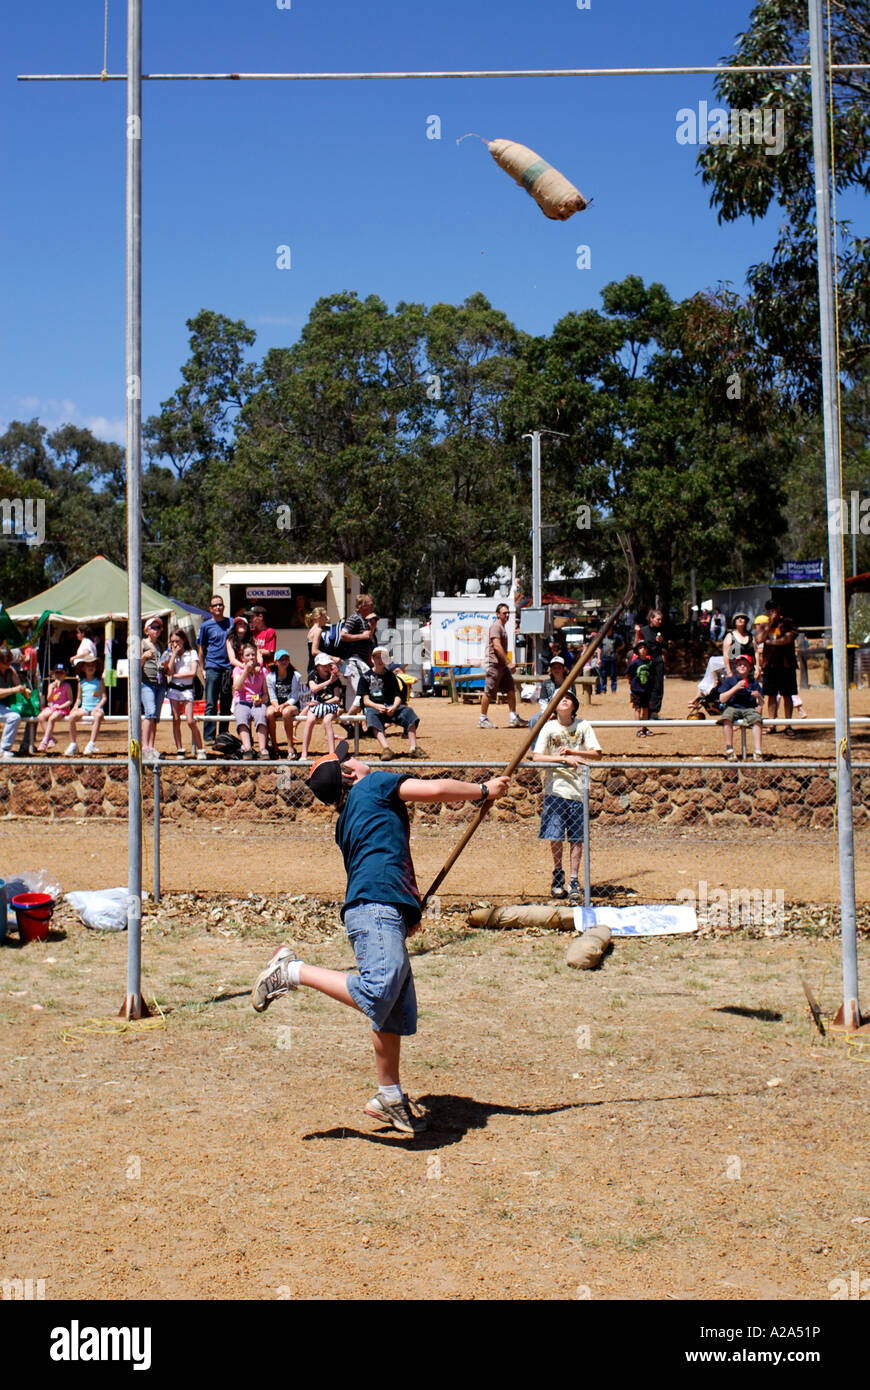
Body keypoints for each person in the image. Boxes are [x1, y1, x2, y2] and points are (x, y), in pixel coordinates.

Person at [250, 740, 510, 1134]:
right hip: (375, 908)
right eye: (349, 757)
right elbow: (435, 790)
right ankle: (291, 971)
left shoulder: (347, 820)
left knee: (391, 1012)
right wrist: (483, 791)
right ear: (351, 774)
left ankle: (389, 1095)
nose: (356, 755)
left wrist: (409, 909)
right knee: (376, 992)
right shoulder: (373, 787)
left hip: (379, 907)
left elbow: (382, 858)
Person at [532, 689, 602, 901]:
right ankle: (558, 873)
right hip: (556, 790)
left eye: (568, 698)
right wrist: (562, 760)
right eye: (559, 698)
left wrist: (574, 753)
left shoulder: (583, 726)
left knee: (576, 838)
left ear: (574, 704)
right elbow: (537, 756)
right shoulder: (548, 727)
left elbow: (597, 754)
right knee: (555, 835)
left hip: (578, 790)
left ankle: (574, 878)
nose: (563, 701)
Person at [356, 645, 425, 759]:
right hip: (374, 706)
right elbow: (366, 700)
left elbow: (398, 696)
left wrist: (394, 706)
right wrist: (377, 706)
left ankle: (414, 747)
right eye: (377, 657)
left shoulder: (391, 676)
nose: (380, 660)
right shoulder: (365, 677)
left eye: (383, 657)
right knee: (371, 715)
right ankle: (386, 748)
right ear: (372, 659)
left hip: (391, 706)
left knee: (408, 712)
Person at [479, 602, 527, 729]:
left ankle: (513, 717)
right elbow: (497, 646)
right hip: (494, 664)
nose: (507, 615)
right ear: (498, 615)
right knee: (489, 692)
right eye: (504, 613)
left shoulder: (502, 627)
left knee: (511, 689)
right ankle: (482, 719)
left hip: (501, 665)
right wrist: (508, 662)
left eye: (508, 613)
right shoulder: (496, 627)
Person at [162, 629, 206, 759]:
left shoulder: (191, 653)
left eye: (177, 641)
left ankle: (200, 748)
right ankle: (180, 749)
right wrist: (173, 655)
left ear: (184, 640)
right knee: (176, 719)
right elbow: (168, 671)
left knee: (190, 720)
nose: (175, 644)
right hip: (174, 689)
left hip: (187, 688)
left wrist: (175, 675)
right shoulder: (171, 655)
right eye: (173, 641)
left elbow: (193, 672)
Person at [759, 600, 798, 738]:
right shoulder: (765, 624)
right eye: (768, 609)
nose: (771, 611)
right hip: (770, 664)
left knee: (787, 695)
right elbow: (760, 639)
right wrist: (770, 623)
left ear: (778, 608)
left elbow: (788, 639)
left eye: (773, 608)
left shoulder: (788, 622)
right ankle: (772, 724)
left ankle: (788, 724)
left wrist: (771, 642)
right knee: (771, 695)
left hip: (786, 664)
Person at [197, 595, 232, 744]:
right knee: (211, 703)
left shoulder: (231, 623)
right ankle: (209, 736)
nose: (218, 607)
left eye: (220, 605)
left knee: (226, 704)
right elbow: (201, 648)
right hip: (212, 667)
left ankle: (223, 735)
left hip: (228, 668)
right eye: (215, 605)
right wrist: (202, 668)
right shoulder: (206, 626)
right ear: (210, 609)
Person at [718, 651, 764, 761]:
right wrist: (736, 688)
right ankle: (729, 749)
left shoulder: (754, 683)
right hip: (733, 707)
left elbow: (761, 703)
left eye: (745, 665)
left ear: (749, 668)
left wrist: (758, 697)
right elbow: (722, 699)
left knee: (757, 719)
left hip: (749, 708)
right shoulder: (729, 681)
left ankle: (758, 750)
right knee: (726, 717)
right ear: (736, 667)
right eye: (739, 664)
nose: (742, 666)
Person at [300, 653, 346, 759]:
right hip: (316, 706)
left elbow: (336, 698)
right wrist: (329, 681)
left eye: (328, 665)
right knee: (310, 720)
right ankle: (304, 754)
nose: (326, 668)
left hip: (329, 706)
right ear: (317, 666)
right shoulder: (313, 676)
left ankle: (332, 754)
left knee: (327, 721)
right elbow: (314, 689)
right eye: (323, 665)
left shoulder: (335, 679)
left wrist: (323, 703)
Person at [337, 593, 378, 711]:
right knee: (363, 692)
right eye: (370, 604)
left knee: (352, 696)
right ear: (363, 606)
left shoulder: (364, 620)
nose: (372, 606)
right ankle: (351, 721)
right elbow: (343, 635)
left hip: (360, 661)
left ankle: (353, 725)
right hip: (355, 660)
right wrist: (362, 636)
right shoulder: (354, 618)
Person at [232, 643, 270, 760]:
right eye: (248, 655)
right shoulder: (237, 670)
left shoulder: (263, 671)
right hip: (242, 701)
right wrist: (246, 671)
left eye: (253, 654)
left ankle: (263, 749)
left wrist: (261, 700)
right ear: (243, 658)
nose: (251, 657)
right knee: (242, 717)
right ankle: (248, 749)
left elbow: (266, 694)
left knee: (261, 716)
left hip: (257, 701)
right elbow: (237, 687)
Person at [266, 650, 305, 759]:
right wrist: (276, 705)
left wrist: (283, 705)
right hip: (277, 704)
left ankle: (290, 747)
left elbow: (294, 697)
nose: (284, 661)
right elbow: (272, 696)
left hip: (291, 705)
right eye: (281, 659)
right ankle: (274, 747)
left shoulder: (295, 675)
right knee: (269, 713)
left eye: (286, 659)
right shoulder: (270, 677)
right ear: (276, 662)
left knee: (286, 712)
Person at [65, 658, 106, 755]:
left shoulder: (99, 681)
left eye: (93, 665)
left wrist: (98, 707)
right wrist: (75, 707)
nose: (90, 667)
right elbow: (79, 698)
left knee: (98, 715)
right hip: (85, 707)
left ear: (96, 667)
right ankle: (73, 743)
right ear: (83, 668)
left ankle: (91, 743)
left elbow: (104, 697)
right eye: (88, 665)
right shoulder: (81, 682)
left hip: (96, 707)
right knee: (71, 717)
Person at [141, 617, 166, 762]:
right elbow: (135, 664)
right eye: (153, 627)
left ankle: (151, 746)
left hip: (160, 682)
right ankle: (145, 747)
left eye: (158, 627)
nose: (156, 630)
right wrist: (143, 656)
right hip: (146, 683)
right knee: (149, 712)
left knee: (155, 717)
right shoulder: (142, 643)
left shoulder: (160, 646)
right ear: (147, 630)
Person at [635, 609, 666, 719]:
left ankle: (655, 713)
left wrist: (662, 641)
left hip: (658, 661)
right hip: (646, 662)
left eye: (661, 619)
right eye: (658, 619)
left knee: (658, 687)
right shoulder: (643, 631)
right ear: (651, 619)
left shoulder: (661, 630)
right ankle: (646, 713)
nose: (660, 621)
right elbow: (637, 645)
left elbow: (666, 646)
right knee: (647, 687)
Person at [36, 663, 74, 752]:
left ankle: (45, 740)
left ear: (65, 675)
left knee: (52, 718)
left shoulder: (67, 686)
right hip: (53, 707)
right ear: (53, 675)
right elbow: (49, 699)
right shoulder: (51, 685)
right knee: (41, 716)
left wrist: (61, 706)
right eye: (57, 673)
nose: (59, 676)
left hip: (62, 708)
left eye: (61, 673)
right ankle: (51, 738)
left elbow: (70, 700)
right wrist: (52, 690)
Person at [0, 646, 26, 761]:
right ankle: (4, 749)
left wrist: (25, 691)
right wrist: (13, 690)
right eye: (5, 661)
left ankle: (26, 745)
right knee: (14, 717)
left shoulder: (11, 671)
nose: (8, 663)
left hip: (5, 705)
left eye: (10, 660)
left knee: (34, 716)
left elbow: (18, 685)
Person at [529, 655, 568, 732]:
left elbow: (572, 702)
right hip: (548, 711)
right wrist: (548, 714)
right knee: (534, 720)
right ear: (551, 670)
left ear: (563, 669)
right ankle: (535, 744)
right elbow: (543, 701)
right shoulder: (546, 683)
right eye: (554, 668)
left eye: (559, 667)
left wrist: (556, 713)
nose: (556, 670)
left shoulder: (569, 683)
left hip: (565, 712)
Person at [626, 640, 652, 737]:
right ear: (637, 650)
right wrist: (632, 684)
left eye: (645, 648)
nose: (643, 650)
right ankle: (638, 729)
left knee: (646, 709)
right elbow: (628, 674)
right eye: (641, 648)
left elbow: (652, 675)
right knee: (637, 709)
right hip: (636, 689)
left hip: (646, 690)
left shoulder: (649, 663)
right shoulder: (634, 662)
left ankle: (645, 727)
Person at [722, 612, 753, 677]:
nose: (740, 619)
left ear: (745, 621)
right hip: (734, 670)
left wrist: (758, 667)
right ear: (734, 622)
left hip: (749, 671)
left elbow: (756, 653)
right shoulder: (730, 636)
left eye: (742, 618)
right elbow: (726, 655)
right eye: (737, 618)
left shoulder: (751, 636)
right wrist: (728, 671)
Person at [596, 628, 624, 694]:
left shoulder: (616, 637)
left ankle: (613, 690)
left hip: (613, 658)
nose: (608, 630)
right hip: (604, 658)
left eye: (609, 629)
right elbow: (599, 648)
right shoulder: (602, 637)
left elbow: (622, 645)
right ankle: (603, 690)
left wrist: (617, 650)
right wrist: (599, 658)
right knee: (603, 674)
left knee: (613, 674)